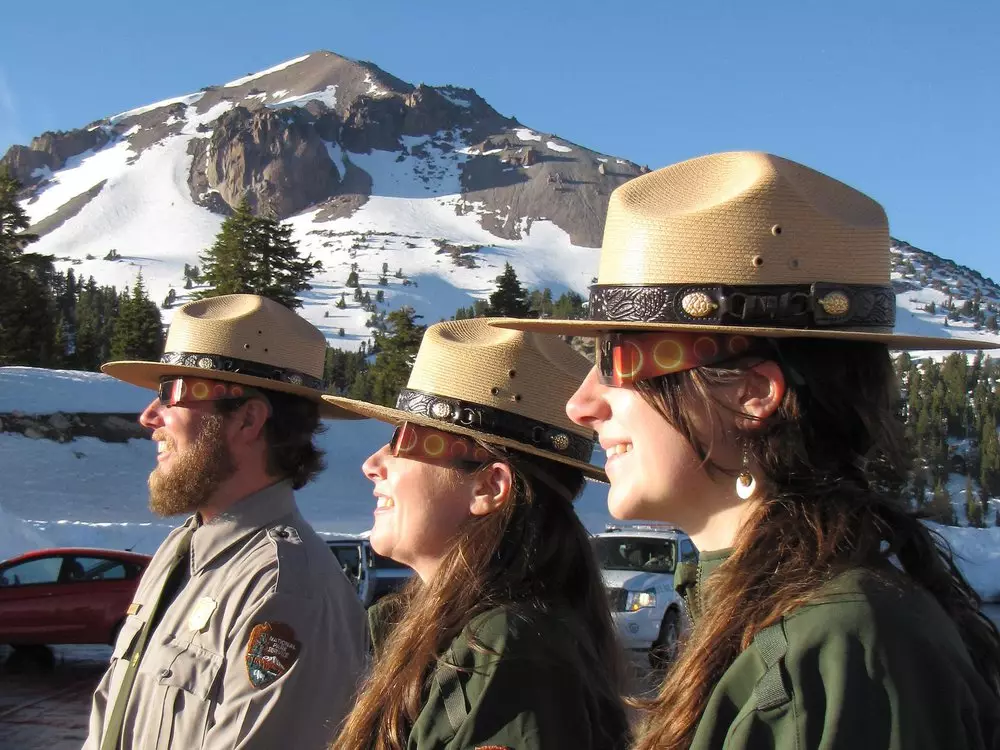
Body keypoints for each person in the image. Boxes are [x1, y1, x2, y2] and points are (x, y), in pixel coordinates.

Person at [491, 151, 1000, 749]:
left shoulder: (835, 646)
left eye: (617, 359)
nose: (580, 406)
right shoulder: (776, 614)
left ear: (752, 395)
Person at [324, 318, 630, 750]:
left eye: (407, 438)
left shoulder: (504, 650)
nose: (373, 463)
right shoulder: (461, 632)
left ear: (489, 487)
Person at [83, 293, 367, 750]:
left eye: (173, 392)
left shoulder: (284, 588)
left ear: (247, 419)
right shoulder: (182, 551)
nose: (148, 416)